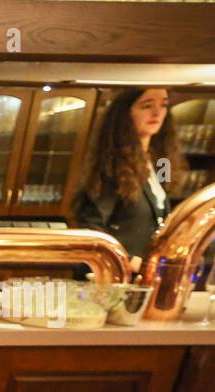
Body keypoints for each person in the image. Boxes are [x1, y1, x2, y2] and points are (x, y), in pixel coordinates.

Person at [71, 87, 181, 266]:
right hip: (112, 273)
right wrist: (128, 259)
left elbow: (164, 199)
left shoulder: (162, 161)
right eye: (147, 106)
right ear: (125, 113)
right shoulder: (113, 164)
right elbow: (92, 227)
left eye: (163, 105)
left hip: (145, 273)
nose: (157, 112)